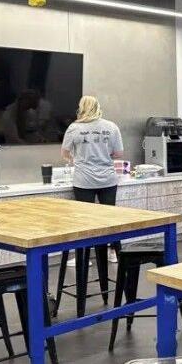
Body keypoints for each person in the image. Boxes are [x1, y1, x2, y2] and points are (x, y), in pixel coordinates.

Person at [61, 95, 124, 266]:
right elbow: (118, 154)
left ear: (81, 108)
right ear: (98, 106)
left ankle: (83, 258)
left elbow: (65, 153)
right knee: (110, 218)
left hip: (84, 180)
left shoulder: (74, 128)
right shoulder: (111, 127)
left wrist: (77, 158)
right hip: (108, 179)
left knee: (84, 219)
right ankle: (113, 253)